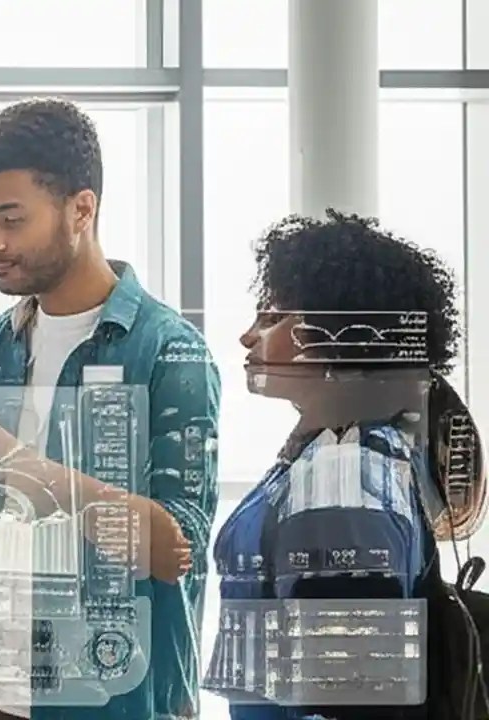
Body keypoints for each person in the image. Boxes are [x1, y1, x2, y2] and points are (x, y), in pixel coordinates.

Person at [0, 98, 221, 720]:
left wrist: (12, 461)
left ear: (81, 208)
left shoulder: (170, 351)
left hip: (113, 700)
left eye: (10, 219)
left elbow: (173, 549)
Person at [202, 211, 487, 720]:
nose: (249, 336)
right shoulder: (346, 456)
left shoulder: (343, 478)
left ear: (339, 334)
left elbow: (351, 702)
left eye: (273, 316)